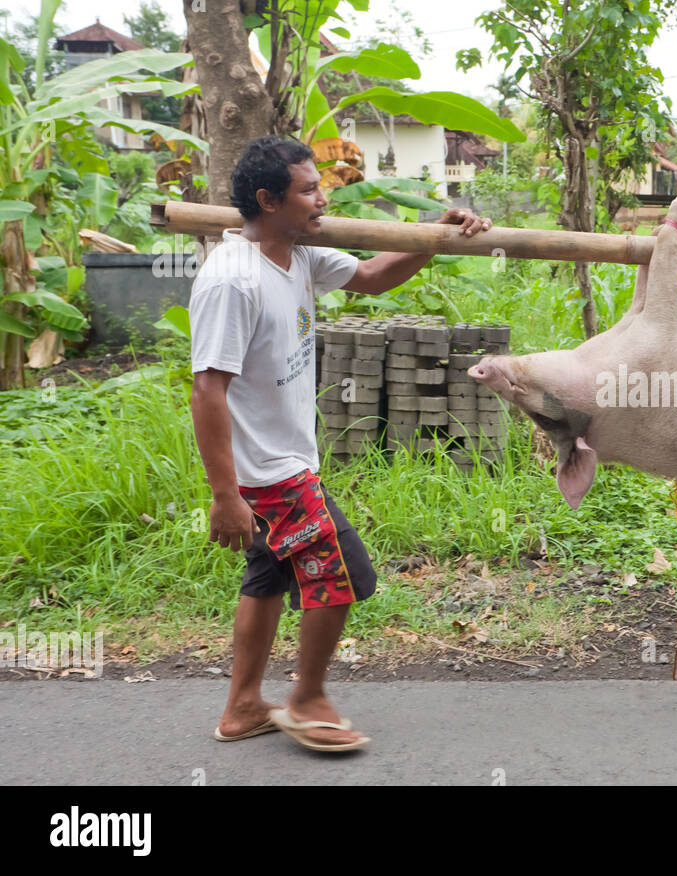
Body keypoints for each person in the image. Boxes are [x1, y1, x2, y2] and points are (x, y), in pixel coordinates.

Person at [191, 135, 492, 750]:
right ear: (268, 200)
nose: (323, 198)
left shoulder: (297, 253)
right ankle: (307, 699)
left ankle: (243, 707)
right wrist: (225, 495)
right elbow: (207, 391)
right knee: (346, 572)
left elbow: (375, 278)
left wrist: (436, 234)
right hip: (269, 473)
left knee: (269, 577)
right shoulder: (231, 280)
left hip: (288, 458)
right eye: (308, 189)